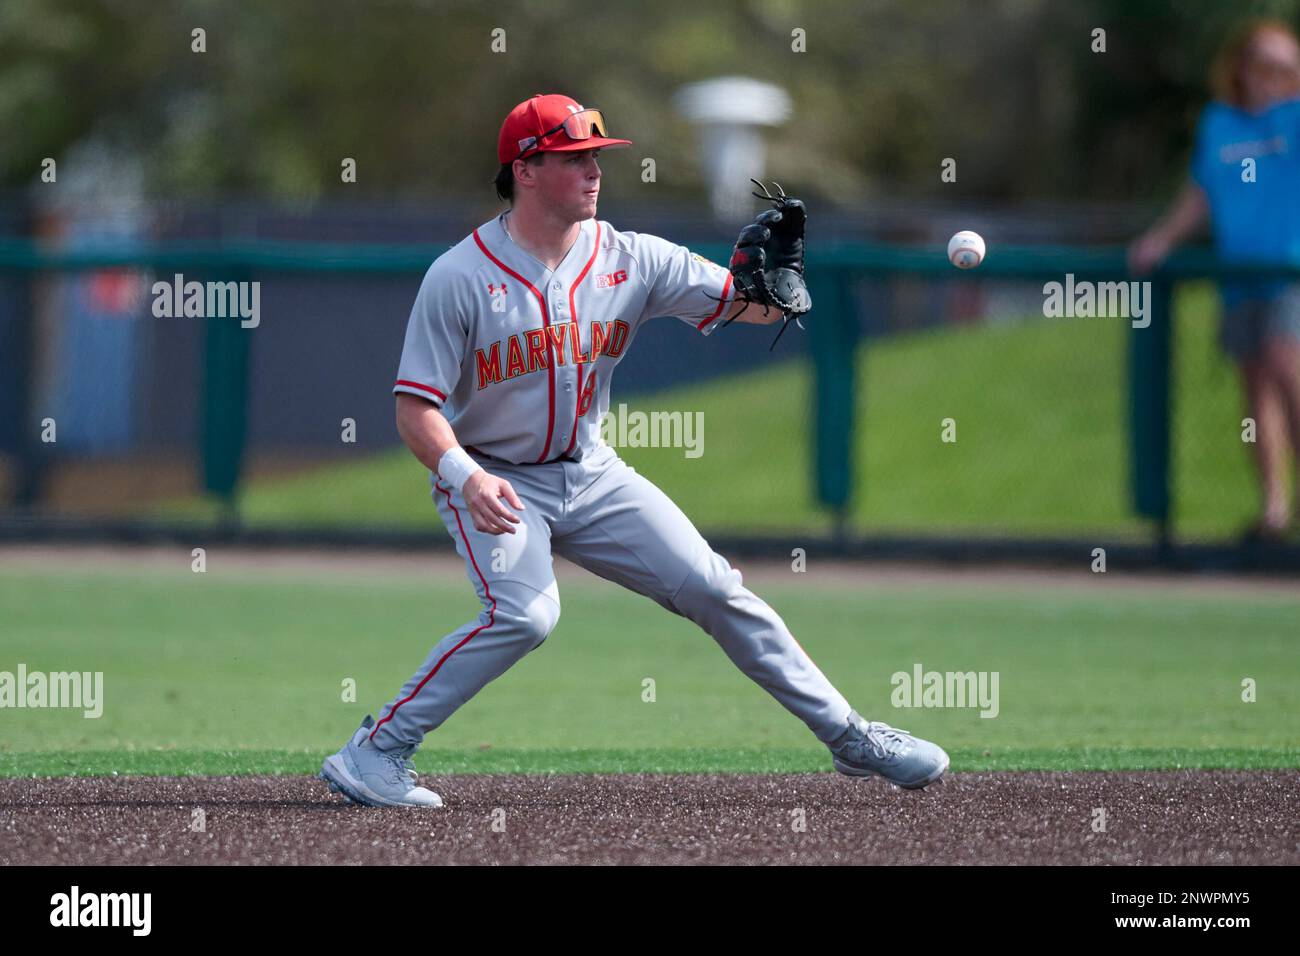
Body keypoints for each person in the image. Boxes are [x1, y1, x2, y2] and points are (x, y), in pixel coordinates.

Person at [319, 93, 948, 808]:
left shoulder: (632, 257)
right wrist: (463, 477)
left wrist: (775, 287)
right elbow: (415, 409)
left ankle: (854, 739)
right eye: (576, 158)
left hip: (592, 475)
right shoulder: (460, 276)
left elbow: (754, 303)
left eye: (597, 157)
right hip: (495, 479)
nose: (594, 171)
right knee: (526, 615)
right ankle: (376, 751)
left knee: (716, 588)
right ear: (525, 170)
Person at [1130, 19, 1300, 540]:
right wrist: (1160, 239)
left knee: (1288, 372)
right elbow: (1200, 194)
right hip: (1237, 277)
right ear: (1243, 68)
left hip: (1288, 274)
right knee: (1254, 392)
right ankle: (1274, 510)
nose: (1275, 76)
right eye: (1266, 65)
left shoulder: (1295, 120)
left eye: (1288, 67)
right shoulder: (1220, 124)